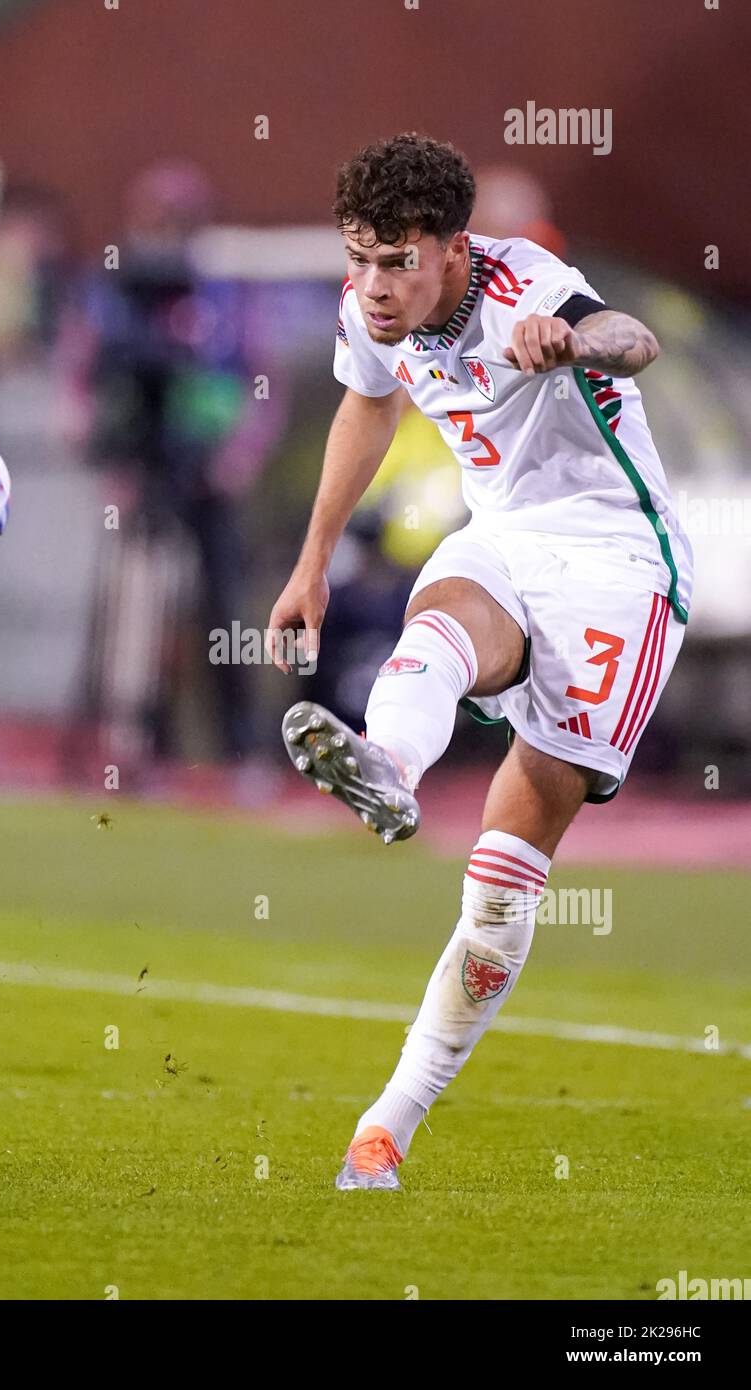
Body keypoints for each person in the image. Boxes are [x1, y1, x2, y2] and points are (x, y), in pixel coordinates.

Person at [267, 133, 693, 1191]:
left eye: (396, 261)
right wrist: (312, 565)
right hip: (504, 538)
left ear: (455, 250)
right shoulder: (374, 307)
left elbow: (636, 339)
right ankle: (390, 769)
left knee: (501, 890)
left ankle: (389, 1118)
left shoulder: (527, 285)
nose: (373, 286)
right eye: (356, 258)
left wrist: (575, 340)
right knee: (440, 615)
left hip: (617, 567)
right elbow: (368, 403)